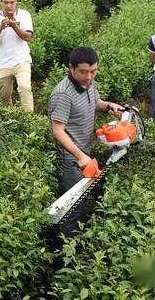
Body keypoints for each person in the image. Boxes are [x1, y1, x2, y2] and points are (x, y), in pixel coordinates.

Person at [49, 47, 124, 236]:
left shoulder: (89, 83)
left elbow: (95, 102)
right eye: (83, 72)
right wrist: (80, 156)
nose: (89, 76)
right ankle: (67, 252)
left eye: (93, 71)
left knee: (84, 200)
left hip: (84, 154)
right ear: (71, 68)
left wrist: (108, 106)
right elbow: (58, 132)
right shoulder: (63, 94)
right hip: (71, 159)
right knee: (73, 208)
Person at [0, 0, 34, 112]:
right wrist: (1, 26)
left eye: (12, 2)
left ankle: (30, 119)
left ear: (16, 1)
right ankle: (8, 120)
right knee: (4, 97)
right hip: (3, 63)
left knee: (25, 87)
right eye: (6, 2)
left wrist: (14, 26)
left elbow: (28, 37)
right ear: (1, 1)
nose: (9, 6)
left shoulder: (24, 15)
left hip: (22, 60)